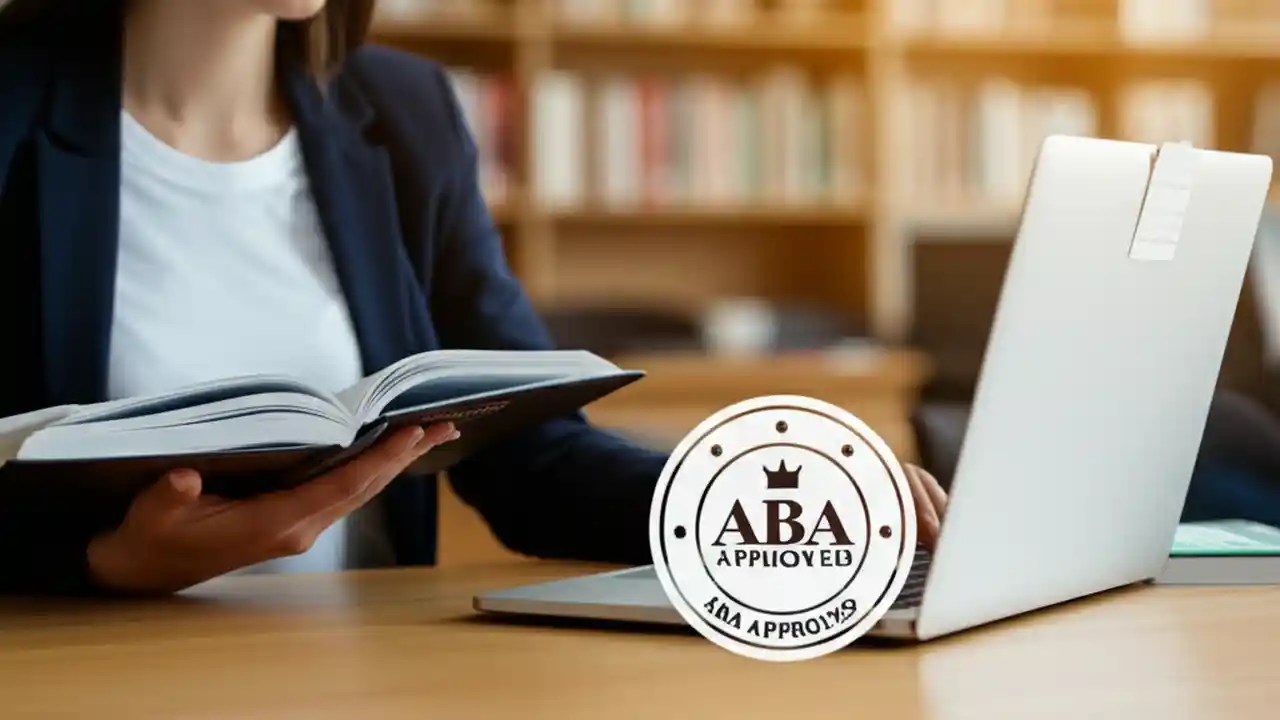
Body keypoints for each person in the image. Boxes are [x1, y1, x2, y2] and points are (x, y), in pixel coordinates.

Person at [0, 0, 948, 596]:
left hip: (366, 684)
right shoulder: (15, 106)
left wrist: (744, 496)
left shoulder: (404, 111)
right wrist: (95, 566)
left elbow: (527, 452)